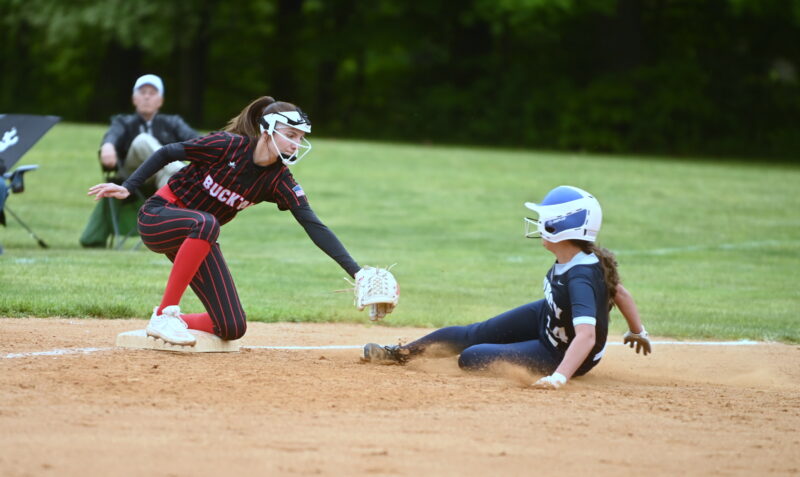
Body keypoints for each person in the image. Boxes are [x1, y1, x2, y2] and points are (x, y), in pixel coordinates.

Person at [87, 96, 368, 346]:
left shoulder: (278, 179)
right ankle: (164, 313)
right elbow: (167, 152)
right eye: (290, 135)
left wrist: (358, 273)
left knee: (232, 326)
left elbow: (313, 225)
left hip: (199, 237)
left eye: (300, 137)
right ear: (267, 131)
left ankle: (175, 320)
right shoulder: (227, 145)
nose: (297, 143)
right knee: (208, 223)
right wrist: (129, 185)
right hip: (159, 217)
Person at [363, 186, 651, 390]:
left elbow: (586, 336)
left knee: (472, 356)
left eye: (545, 219)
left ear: (563, 227)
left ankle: (523, 355)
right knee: (474, 333)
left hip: (559, 352)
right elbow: (619, 292)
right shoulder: (577, 258)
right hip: (549, 318)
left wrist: (559, 377)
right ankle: (398, 354)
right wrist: (637, 331)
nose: (539, 224)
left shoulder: (580, 276)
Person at [99, 74, 198, 191]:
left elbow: (196, 140)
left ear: (160, 101)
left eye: (152, 93)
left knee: (169, 178)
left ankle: (175, 205)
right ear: (134, 99)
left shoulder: (173, 122)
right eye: (142, 92)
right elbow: (113, 135)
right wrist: (108, 145)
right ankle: (181, 172)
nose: (146, 97)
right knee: (142, 140)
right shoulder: (122, 121)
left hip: (160, 173)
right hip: (131, 174)